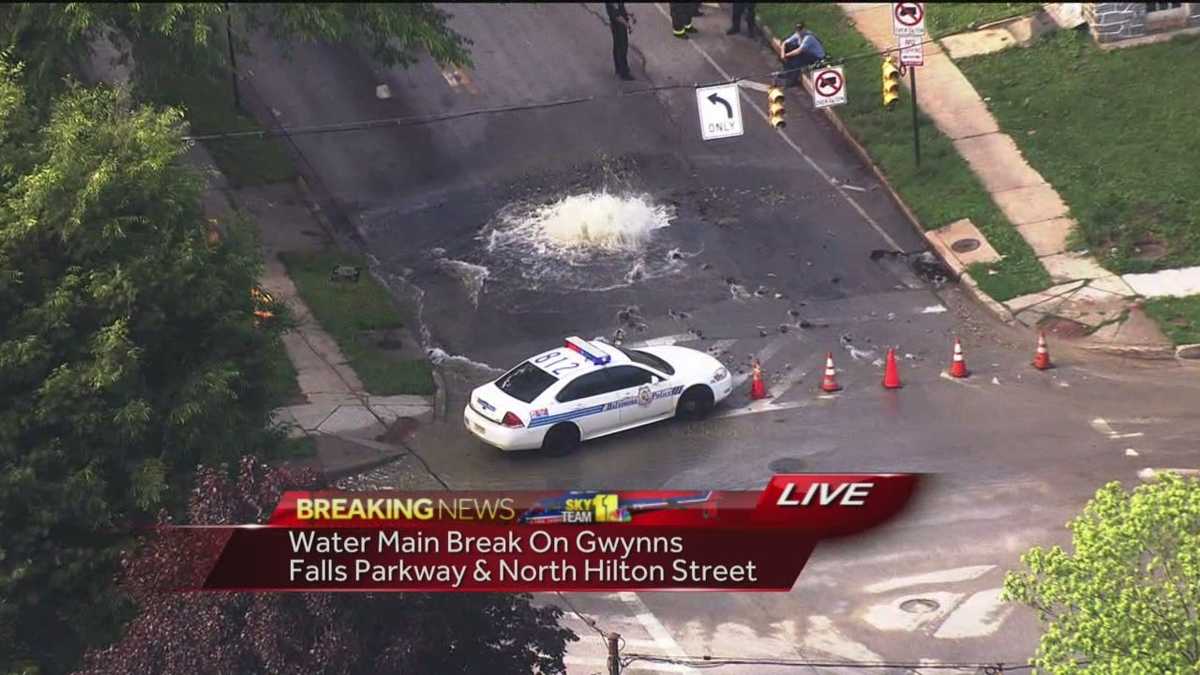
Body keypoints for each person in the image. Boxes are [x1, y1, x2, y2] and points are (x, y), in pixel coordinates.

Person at [780, 22, 826, 86]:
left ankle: (793, 80)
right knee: (787, 46)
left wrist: (786, 55)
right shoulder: (797, 34)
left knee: (798, 60)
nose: (799, 31)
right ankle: (786, 72)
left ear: (804, 29)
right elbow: (784, 43)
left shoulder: (808, 37)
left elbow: (799, 51)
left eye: (801, 29)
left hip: (816, 56)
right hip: (807, 53)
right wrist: (782, 53)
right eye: (798, 30)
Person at [605, 1, 635, 80]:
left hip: (617, 24)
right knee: (622, 48)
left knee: (618, 46)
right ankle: (623, 72)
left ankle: (618, 68)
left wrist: (628, 14)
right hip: (618, 26)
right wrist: (627, 25)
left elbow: (620, 9)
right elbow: (616, 15)